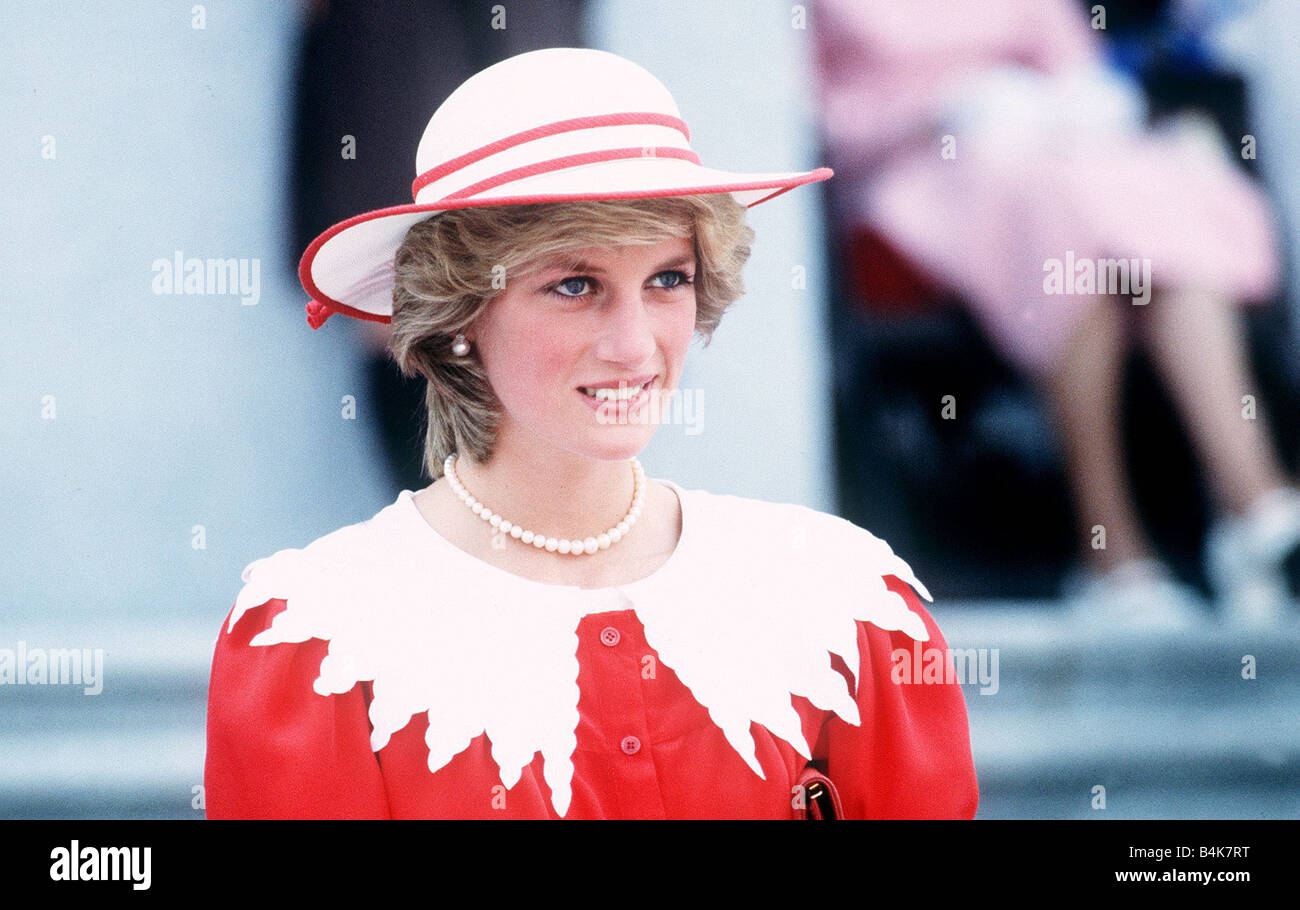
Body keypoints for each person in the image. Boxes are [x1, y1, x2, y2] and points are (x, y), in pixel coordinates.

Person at [204, 48, 978, 819]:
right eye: (575, 285)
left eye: (667, 279)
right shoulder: (320, 638)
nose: (635, 345)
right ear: (462, 311)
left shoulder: (843, 598)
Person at [811, 0, 1300, 628]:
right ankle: (1113, 555)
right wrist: (941, 110)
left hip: (1054, 160)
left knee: (1160, 186)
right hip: (920, 181)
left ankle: (1256, 511)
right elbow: (818, 115)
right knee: (1062, 219)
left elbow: (1081, 72)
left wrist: (1073, 104)